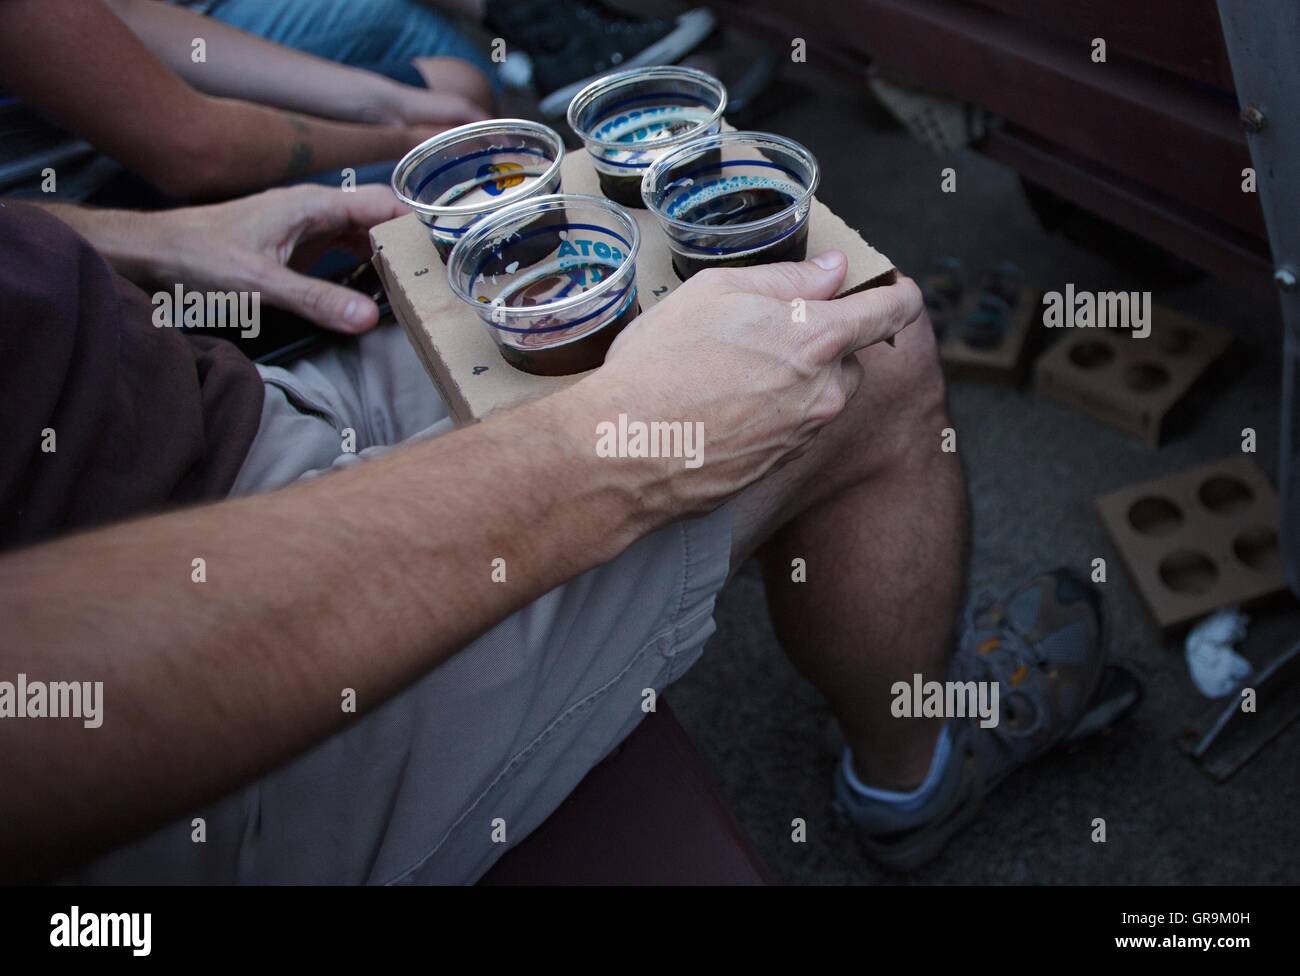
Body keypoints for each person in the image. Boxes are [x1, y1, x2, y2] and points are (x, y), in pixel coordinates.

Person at [0, 189, 1112, 883]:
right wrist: (611, 450)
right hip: (186, 744)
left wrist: (136, 237)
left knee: (687, 305)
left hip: (220, 403)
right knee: (867, 354)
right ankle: (911, 780)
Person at [0, 0, 491, 204]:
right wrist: (402, 140)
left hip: (140, 138)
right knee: (443, 180)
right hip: (77, 223)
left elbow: (122, 13)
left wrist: (386, 103)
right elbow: (196, 150)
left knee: (454, 87)